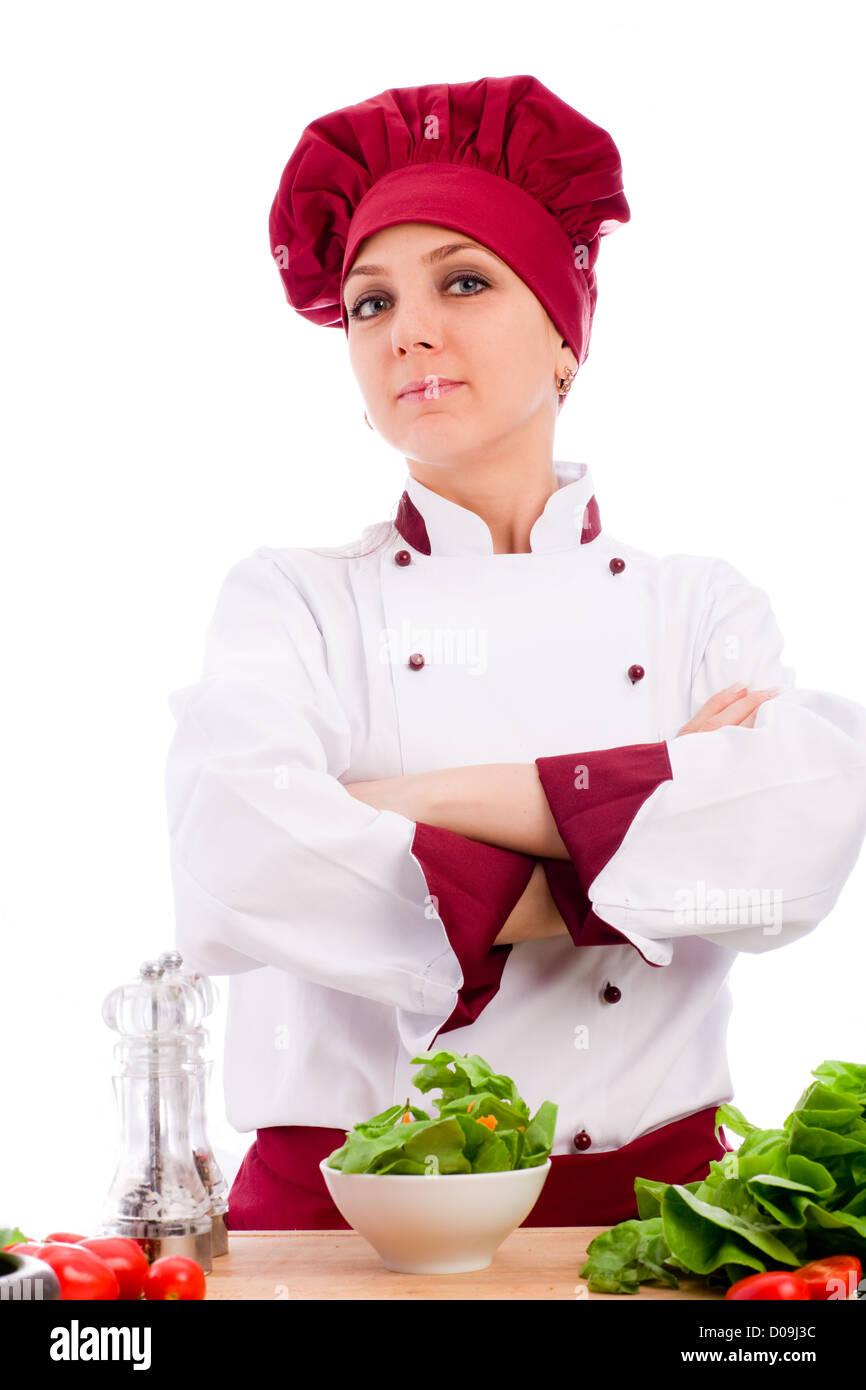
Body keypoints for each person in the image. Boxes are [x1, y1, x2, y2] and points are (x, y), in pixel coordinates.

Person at [163, 75, 866, 1231]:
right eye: (369, 304)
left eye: (462, 280)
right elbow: (238, 863)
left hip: (654, 1217)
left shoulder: (694, 602)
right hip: (348, 1222)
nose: (409, 330)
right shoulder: (288, 597)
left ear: (563, 339)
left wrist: (404, 801)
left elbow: (800, 829)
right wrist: (633, 831)